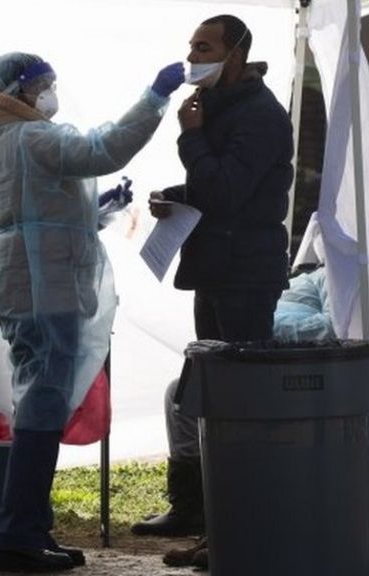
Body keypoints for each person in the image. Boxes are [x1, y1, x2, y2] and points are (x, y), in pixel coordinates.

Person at [0, 52, 184, 572]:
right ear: (20, 90)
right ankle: (18, 536)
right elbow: (102, 148)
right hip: (46, 286)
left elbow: (40, 206)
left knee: (37, 405)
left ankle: (29, 529)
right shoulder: (34, 136)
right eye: (44, 84)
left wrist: (95, 207)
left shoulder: (5, 141)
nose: (51, 92)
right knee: (42, 409)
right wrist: (154, 98)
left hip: (26, 281)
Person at [133, 16, 293, 568]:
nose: (192, 55)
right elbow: (217, 185)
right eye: (191, 45)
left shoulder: (260, 115)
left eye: (204, 46)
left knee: (242, 407)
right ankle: (214, 525)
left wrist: (191, 138)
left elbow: (226, 190)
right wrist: (175, 195)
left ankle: (248, 528)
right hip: (217, 269)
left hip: (246, 276)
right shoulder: (222, 108)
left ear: (237, 53)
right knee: (212, 399)